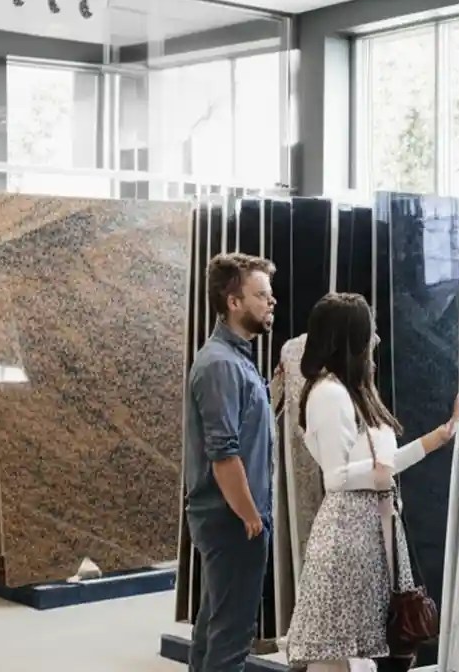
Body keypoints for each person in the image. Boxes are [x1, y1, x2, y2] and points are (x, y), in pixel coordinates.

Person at [285, 292, 459, 672]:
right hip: (349, 536)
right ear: (351, 338)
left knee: (385, 643)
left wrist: (439, 437)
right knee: (339, 650)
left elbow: (384, 465)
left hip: (375, 530)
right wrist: (380, 473)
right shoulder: (329, 394)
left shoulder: (356, 391)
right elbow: (337, 477)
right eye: (371, 330)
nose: (376, 339)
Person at [183, 252, 278, 672]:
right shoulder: (221, 364)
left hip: (232, 516)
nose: (271, 302)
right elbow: (223, 452)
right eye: (261, 295)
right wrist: (250, 515)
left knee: (214, 627)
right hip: (234, 519)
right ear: (233, 302)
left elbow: (244, 427)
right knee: (232, 637)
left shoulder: (235, 359)